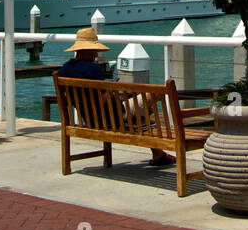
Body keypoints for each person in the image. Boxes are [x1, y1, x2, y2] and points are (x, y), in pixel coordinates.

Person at [59, 26, 175, 166]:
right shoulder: (92, 69)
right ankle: (158, 153)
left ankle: (158, 153)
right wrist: (111, 92)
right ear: (88, 49)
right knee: (153, 95)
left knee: (141, 111)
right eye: (95, 50)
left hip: (88, 119)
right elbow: (103, 100)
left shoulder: (64, 69)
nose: (96, 54)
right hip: (112, 119)